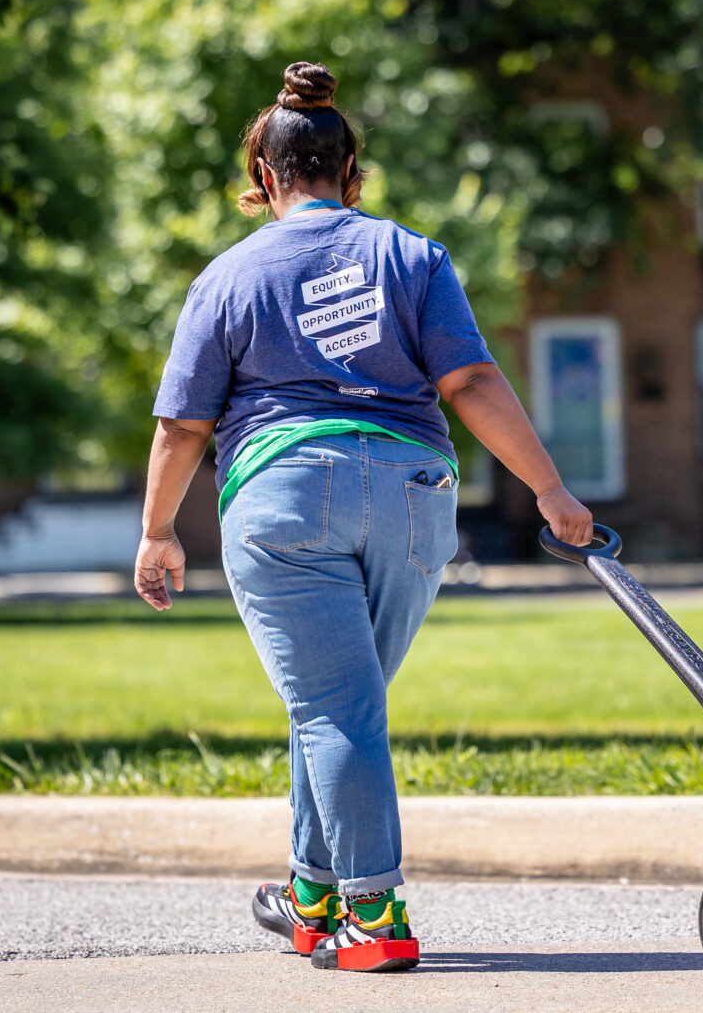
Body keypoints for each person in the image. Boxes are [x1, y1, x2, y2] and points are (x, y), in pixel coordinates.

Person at [133, 61, 593, 972]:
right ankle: (311, 893)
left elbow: (184, 425)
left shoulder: (226, 276)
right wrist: (550, 489)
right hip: (416, 497)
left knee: (335, 706)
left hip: (285, 496)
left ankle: (374, 919)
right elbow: (469, 380)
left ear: (264, 177)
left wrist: (156, 533)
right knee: (344, 705)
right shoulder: (412, 255)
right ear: (352, 172)